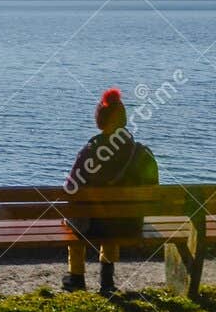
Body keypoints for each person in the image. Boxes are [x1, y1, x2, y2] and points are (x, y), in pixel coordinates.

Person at [63, 87, 159, 293]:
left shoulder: (90, 151)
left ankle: (76, 277)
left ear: (100, 120)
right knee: (114, 214)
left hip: (93, 227)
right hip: (129, 224)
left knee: (74, 216)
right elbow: (154, 186)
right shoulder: (140, 152)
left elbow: (70, 189)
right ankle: (107, 279)